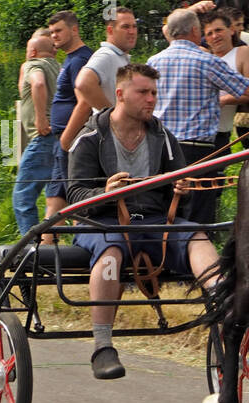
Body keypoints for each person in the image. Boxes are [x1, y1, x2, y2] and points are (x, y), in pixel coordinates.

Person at [67, 64, 213, 379]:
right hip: (102, 225)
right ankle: (102, 346)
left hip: (155, 222)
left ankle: (225, 312)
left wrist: (181, 190)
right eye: (143, 92)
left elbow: (181, 193)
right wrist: (104, 193)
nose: (151, 100)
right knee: (111, 253)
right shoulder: (90, 138)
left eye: (154, 93)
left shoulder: (163, 136)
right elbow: (74, 195)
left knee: (198, 237)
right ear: (120, 94)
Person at [145, 8, 249, 275]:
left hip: (159, 148)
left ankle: (159, 266)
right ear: (195, 31)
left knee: (162, 206)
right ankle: (192, 271)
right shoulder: (205, 60)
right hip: (196, 150)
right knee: (197, 212)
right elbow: (247, 88)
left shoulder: (154, 61)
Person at [59, 7, 138, 151]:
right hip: (105, 139)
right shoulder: (106, 55)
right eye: (125, 27)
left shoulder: (120, 57)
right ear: (110, 30)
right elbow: (84, 83)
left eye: (134, 26)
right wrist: (113, 117)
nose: (132, 31)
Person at [43, 10, 92, 226]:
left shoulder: (80, 59)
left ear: (74, 29)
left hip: (71, 140)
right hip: (61, 140)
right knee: (54, 198)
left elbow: (85, 102)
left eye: (58, 30)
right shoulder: (70, 59)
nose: (54, 35)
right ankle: (44, 251)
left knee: (77, 201)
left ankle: (85, 247)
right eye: (52, 32)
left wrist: (66, 140)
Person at [10, 32, 62, 238]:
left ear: (32, 52)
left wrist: (41, 117)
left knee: (23, 195)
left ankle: (30, 246)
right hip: (62, 137)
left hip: (43, 138)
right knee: (56, 196)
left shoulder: (33, 64)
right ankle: (50, 245)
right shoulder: (59, 68)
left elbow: (38, 83)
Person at [201, 8, 249, 145]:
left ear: (231, 30)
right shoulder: (203, 57)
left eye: (219, 30)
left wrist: (224, 100)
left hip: (221, 132)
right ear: (205, 38)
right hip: (195, 131)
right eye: (209, 33)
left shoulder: (243, 52)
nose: (215, 36)